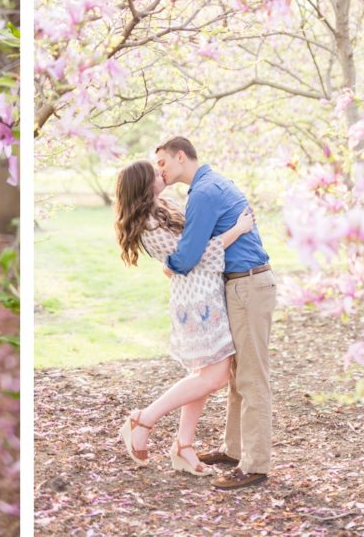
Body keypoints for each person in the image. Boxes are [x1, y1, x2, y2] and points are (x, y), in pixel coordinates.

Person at [114, 160, 254, 477]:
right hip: (197, 302)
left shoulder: (167, 204)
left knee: (203, 375)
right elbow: (195, 255)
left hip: (208, 292)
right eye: (154, 173)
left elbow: (191, 243)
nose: (160, 173)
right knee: (215, 376)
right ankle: (144, 418)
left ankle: (183, 445)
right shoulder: (147, 225)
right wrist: (238, 230)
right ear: (142, 184)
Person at [155, 136, 275, 490]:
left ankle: (255, 464)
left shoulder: (204, 193)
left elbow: (188, 255)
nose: (160, 169)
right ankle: (235, 449)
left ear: (180, 156)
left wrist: (170, 264)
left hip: (248, 286)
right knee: (239, 374)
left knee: (252, 377)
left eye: (162, 162)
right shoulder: (212, 183)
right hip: (241, 284)